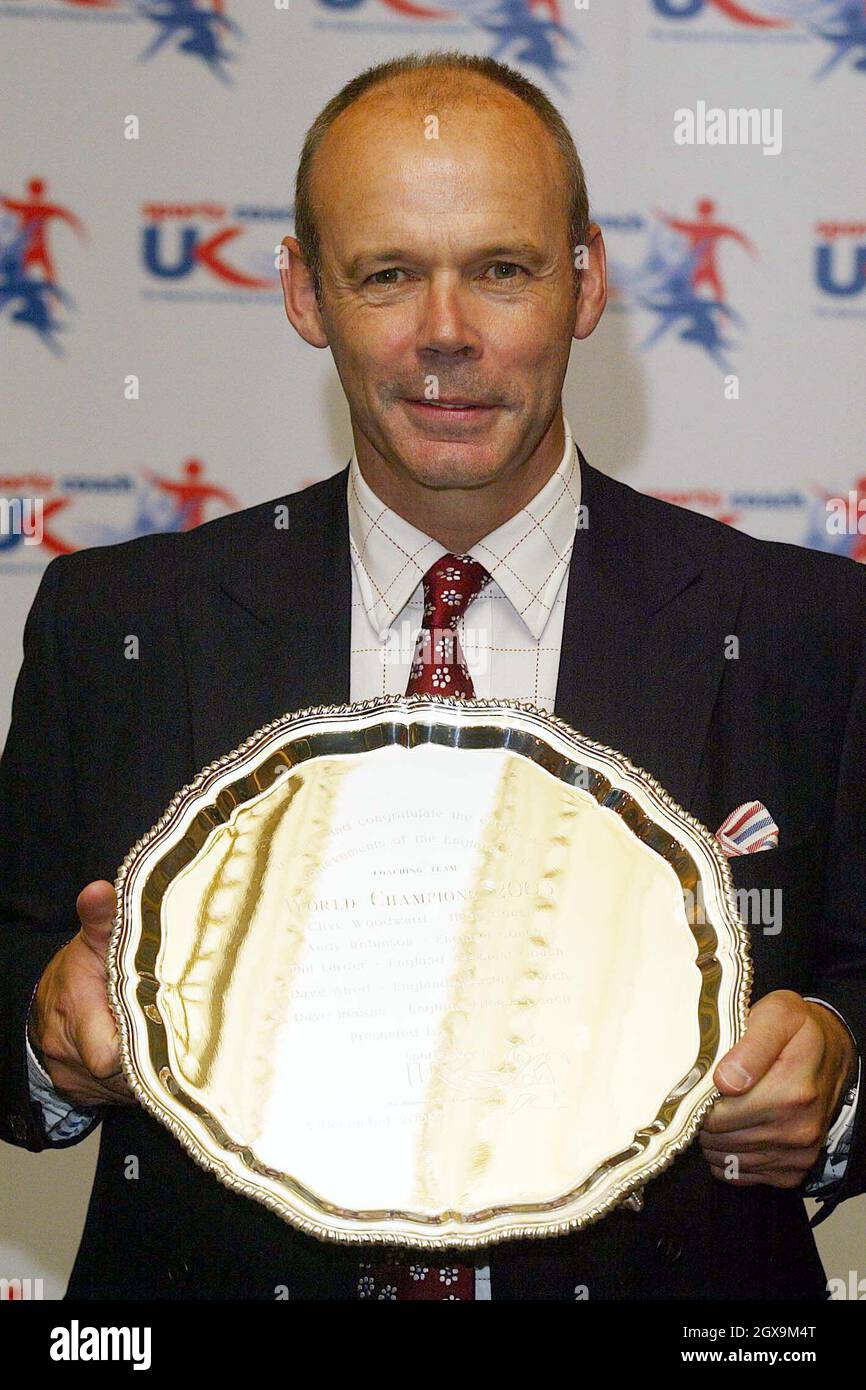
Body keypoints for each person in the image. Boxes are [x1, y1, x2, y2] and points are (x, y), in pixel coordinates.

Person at [1, 50, 864, 1301]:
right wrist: (47, 1033)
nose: (445, 333)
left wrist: (835, 1073)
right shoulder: (116, 621)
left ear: (585, 284)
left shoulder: (803, 624)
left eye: (501, 270)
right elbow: (13, 961)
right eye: (387, 274)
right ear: (303, 292)